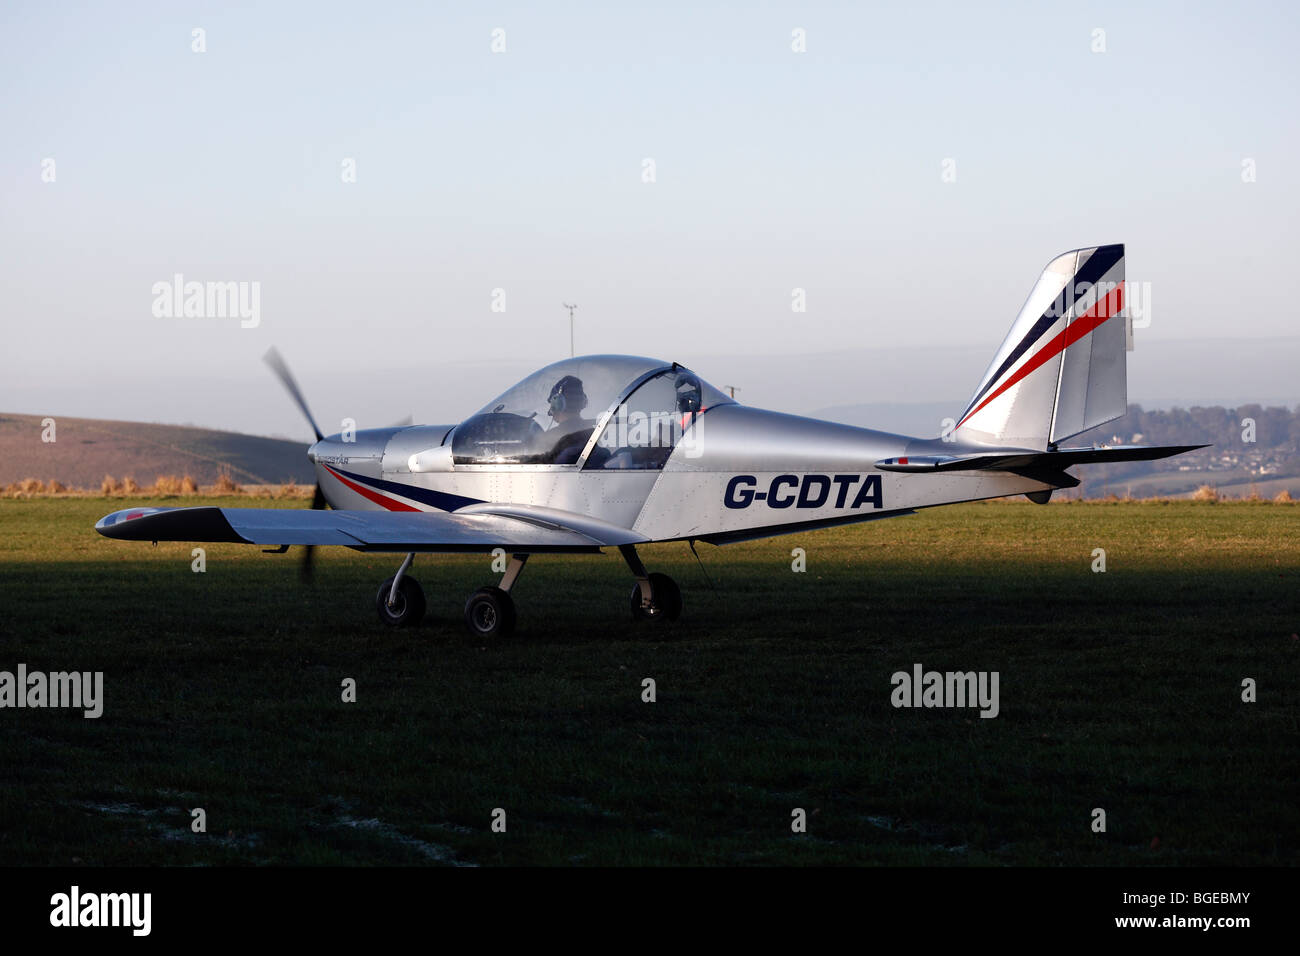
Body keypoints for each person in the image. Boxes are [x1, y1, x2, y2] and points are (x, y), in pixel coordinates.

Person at [546, 375, 600, 464]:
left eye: (552, 402)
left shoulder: (551, 437)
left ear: (557, 403)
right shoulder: (593, 432)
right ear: (583, 402)